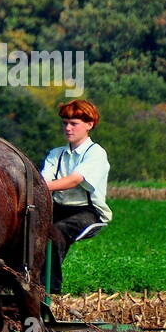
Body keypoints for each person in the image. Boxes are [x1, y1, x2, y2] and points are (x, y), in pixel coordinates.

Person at [41, 99, 111, 294]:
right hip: (57, 209)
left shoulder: (96, 153)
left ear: (89, 125)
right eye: (65, 123)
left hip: (87, 212)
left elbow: (74, 180)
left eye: (74, 123)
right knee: (21, 233)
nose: (68, 128)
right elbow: (44, 181)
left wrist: (39, 188)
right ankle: (6, 285)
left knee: (54, 234)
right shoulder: (56, 154)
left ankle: (47, 290)